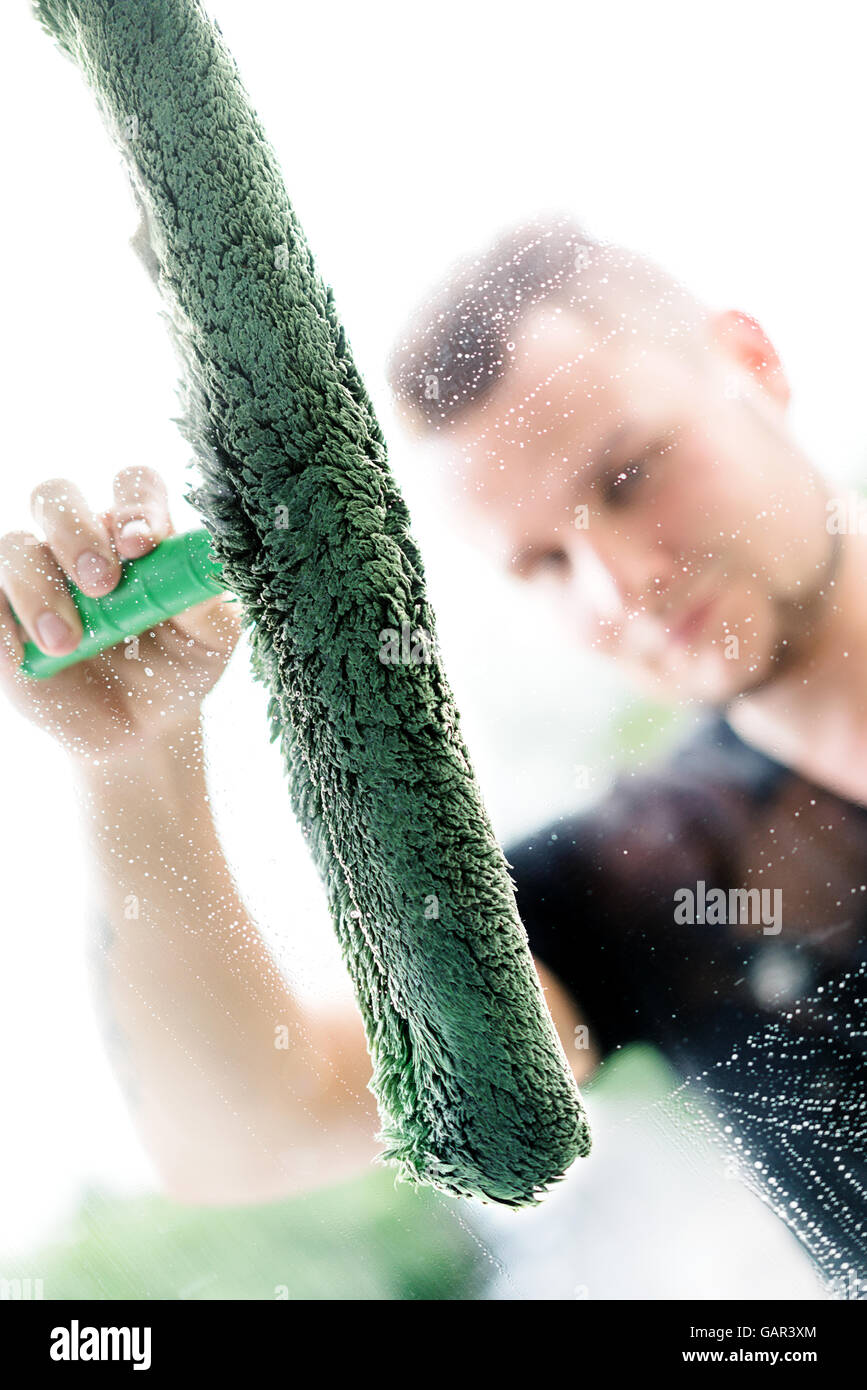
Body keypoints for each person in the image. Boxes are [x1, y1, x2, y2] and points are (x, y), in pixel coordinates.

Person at [0, 216, 863, 1282]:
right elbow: (246, 1131)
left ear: (753, 361)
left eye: (632, 474)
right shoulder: (647, 876)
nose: (618, 581)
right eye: (543, 562)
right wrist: (135, 760)